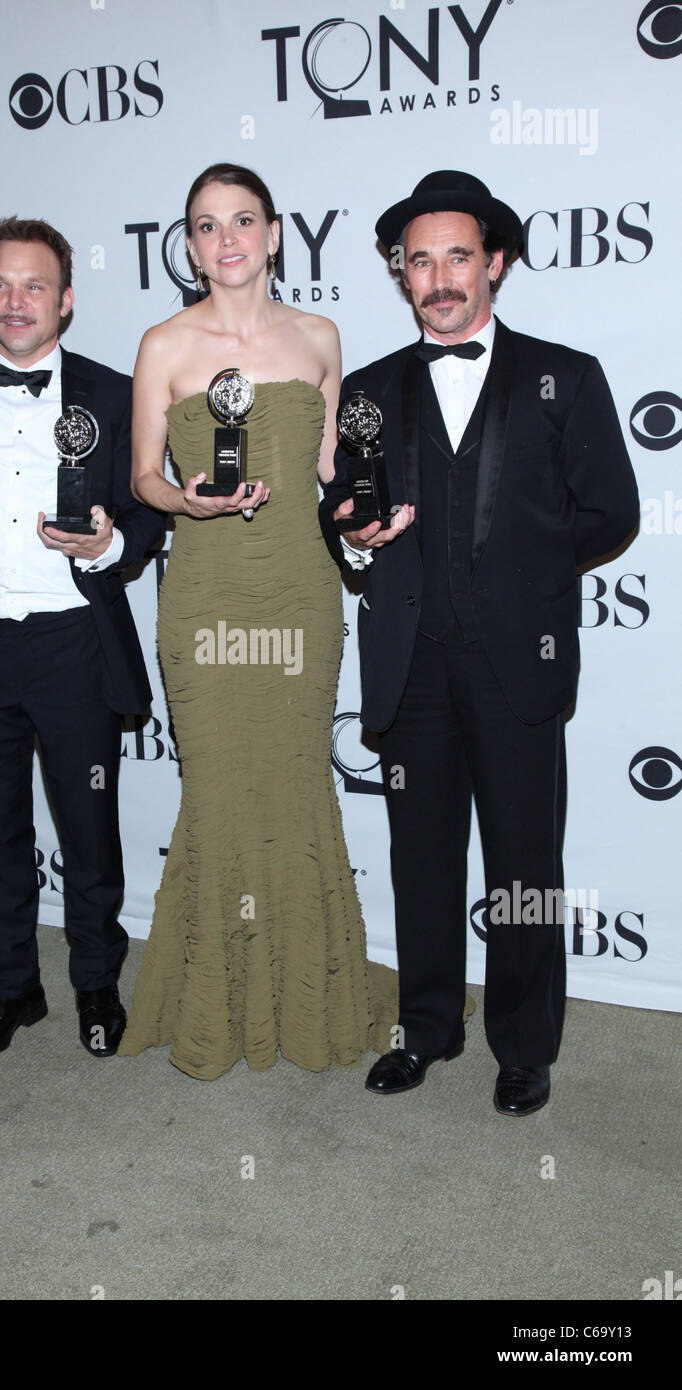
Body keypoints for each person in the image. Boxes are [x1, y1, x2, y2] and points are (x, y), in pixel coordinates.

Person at [319, 171, 639, 1116]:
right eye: (420, 260)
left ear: (494, 263)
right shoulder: (370, 390)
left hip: (517, 665)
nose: (441, 276)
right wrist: (354, 539)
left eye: (458, 255)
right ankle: (425, 1027)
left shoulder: (563, 375)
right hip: (411, 666)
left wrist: (528, 581)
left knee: (524, 865)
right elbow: (335, 516)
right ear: (403, 276)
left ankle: (525, 1046)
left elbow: (612, 510)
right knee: (420, 853)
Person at [119, 163, 408, 1080]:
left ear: (276, 233)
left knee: (291, 789)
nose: (227, 239)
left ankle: (306, 998)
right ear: (192, 244)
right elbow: (142, 480)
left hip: (300, 591)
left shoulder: (319, 336)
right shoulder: (163, 344)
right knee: (216, 792)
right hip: (205, 595)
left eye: (243, 220)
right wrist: (189, 503)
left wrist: (364, 514)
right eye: (206, 225)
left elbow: (330, 468)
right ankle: (219, 1001)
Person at [0, 216, 164, 1065]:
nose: (17, 303)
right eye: (1, 286)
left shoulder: (111, 391)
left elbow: (148, 512)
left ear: (67, 300)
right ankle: (12, 992)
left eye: (35, 285)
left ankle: (96, 985)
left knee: (89, 829)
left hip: (72, 644)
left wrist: (110, 547)